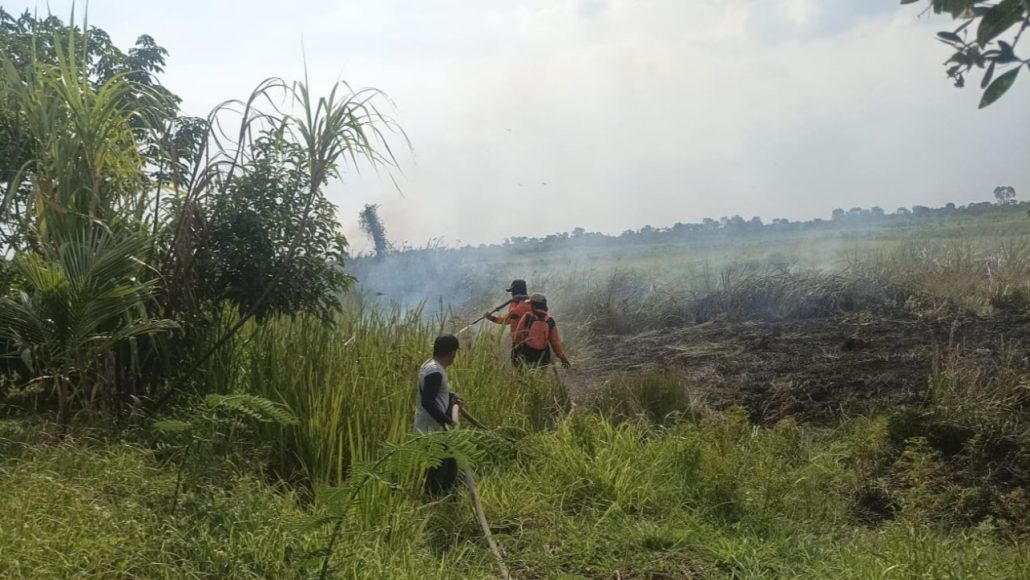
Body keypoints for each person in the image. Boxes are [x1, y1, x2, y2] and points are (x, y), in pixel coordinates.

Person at [414, 335, 464, 496]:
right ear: (451, 353)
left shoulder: (431, 366)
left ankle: (446, 501)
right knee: (438, 471)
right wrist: (448, 421)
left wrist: (451, 397)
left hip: (435, 427)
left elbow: (434, 394)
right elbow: (428, 402)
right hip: (433, 429)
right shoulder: (435, 371)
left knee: (450, 466)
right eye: (455, 352)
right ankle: (432, 504)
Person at [513, 293, 572, 369]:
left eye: (530, 304)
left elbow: (518, 335)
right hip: (543, 355)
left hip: (527, 353)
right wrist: (562, 358)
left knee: (525, 376)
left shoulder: (527, 316)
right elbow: (555, 342)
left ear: (534, 305)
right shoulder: (550, 320)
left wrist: (515, 350)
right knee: (540, 376)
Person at [485, 279, 534, 363]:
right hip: (519, 343)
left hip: (525, 343)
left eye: (512, 291)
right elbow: (506, 320)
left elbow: (513, 314)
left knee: (521, 368)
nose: (511, 294)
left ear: (517, 291)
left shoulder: (525, 304)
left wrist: (514, 302)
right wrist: (492, 318)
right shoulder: (522, 304)